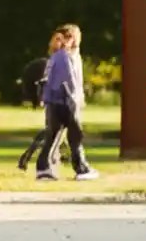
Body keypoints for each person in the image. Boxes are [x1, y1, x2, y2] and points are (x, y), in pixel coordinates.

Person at [34, 24, 99, 181]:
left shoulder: (59, 57)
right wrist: (73, 99)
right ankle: (81, 169)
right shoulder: (65, 57)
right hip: (66, 101)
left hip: (56, 101)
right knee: (75, 137)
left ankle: (43, 168)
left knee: (53, 135)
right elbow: (68, 81)